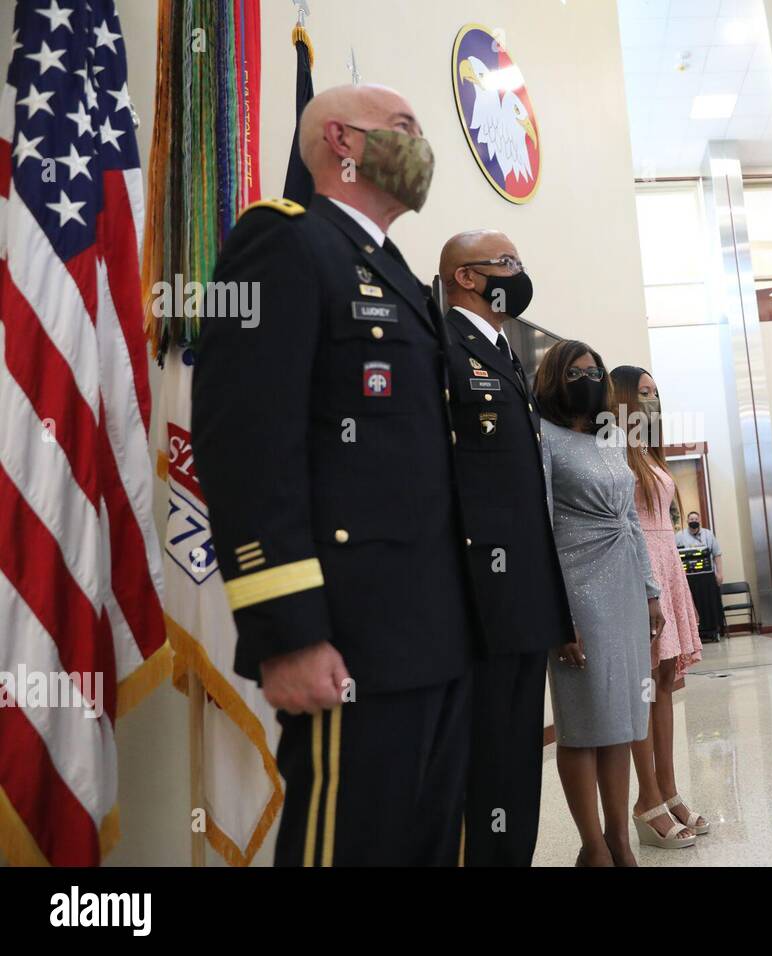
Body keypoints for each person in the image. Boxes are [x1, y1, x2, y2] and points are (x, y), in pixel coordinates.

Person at [192, 85, 474, 866]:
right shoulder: (283, 244)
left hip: (435, 635)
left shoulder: (396, 275)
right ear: (342, 141)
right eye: (405, 128)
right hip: (351, 641)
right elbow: (244, 442)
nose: (422, 143)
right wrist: (288, 634)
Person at [437, 229, 573, 866]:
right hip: (480, 593)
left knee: (518, 750)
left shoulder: (506, 353)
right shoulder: (443, 346)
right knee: (490, 753)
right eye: (507, 264)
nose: (518, 275)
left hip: (521, 595)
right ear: (468, 277)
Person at [536, 341, 665, 866]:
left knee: (623, 722)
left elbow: (631, 520)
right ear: (554, 379)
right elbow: (539, 526)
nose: (588, 378)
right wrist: (557, 614)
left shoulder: (613, 437)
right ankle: (592, 846)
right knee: (584, 722)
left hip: (625, 588)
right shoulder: (541, 435)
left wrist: (651, 592)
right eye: (576, 370)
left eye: (594, 371)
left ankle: (618, 840)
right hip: (575, 587)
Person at [610, 366, 708, 849]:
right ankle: (645, 799)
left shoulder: (651, 453)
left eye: (655, 392)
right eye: (642, 392)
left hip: (668, 565)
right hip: (638, 570)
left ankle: (668, 791)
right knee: (643, 688)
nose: (651, 399)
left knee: (666, 681)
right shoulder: (613, 450)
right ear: (623, 398)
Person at [677, 511, 726, 641]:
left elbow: (717, 554)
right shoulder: (680, 536)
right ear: (687, 521)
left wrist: (719, 573)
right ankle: (693, 633)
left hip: (707, 576)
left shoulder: (708, 534)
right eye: (691, 518)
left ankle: (713, 630)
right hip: (688, 578)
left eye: (696, 518)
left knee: (710, 604)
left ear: (700, 521)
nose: (694, 520)